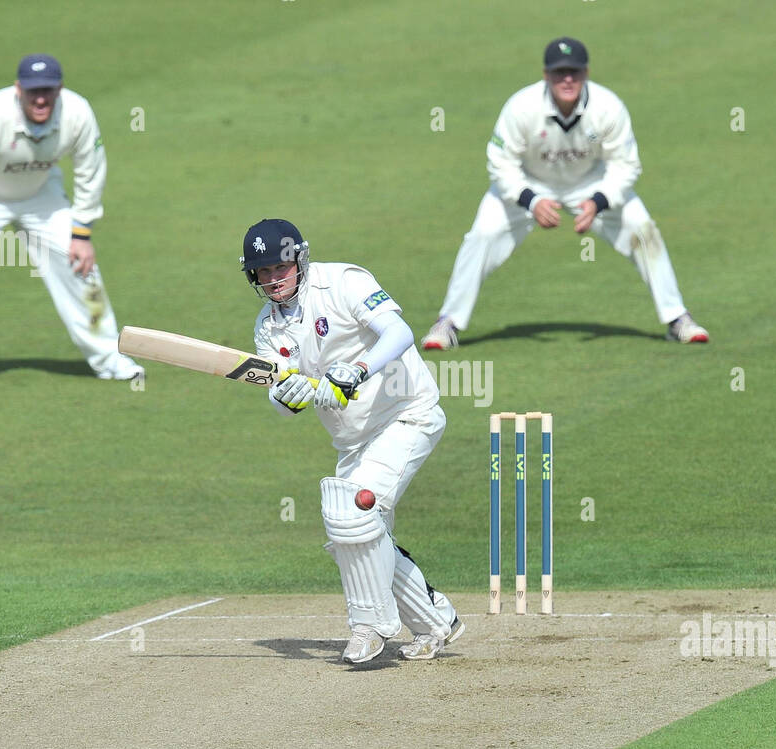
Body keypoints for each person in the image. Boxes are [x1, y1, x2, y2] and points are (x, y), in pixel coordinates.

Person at [244, 219, 465, 664]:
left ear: (299, 258)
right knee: (357, 535)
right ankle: (436, 620)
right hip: (353, 440)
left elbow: (398, 332)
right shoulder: (268, 328)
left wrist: (358, 369)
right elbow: (280, 393)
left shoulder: (344, 281)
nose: (272, 279)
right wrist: (287, 396)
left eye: (279, 268)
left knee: (352, 514)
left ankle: (370, 626)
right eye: (262, 273)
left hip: (407, 415)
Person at [421, 36, 709, 351]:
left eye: (574, 71)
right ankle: (448, 322)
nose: (567, 79)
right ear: (546, 75)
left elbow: (626, 165)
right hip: (528, 183)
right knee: (483, 234)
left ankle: (677, 318)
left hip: (590, 183)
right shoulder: (521, 107)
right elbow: (500, 164)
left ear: (586, 73)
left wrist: (598, 201)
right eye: (559, 72)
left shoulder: (608, 107)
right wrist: (531, 200)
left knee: (644, 231)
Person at [0, 53, 143, 390]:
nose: (41, 99)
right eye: (33, 91)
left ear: (60, 89)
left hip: (41, 194)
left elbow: (90, 171)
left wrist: (81, 233)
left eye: (48, 91)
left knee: (81, 267)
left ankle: (110, 358)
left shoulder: (77, 112)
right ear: (18, 88)